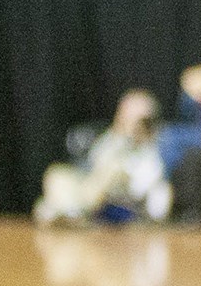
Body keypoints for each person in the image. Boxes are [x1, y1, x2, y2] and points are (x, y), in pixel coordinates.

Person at [34, 88, 169, 225]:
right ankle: (70, 212)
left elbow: (146, 188)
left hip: (122, 208)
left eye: (139, 119)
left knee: (113, 169)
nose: (131, 122)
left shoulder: (156, 148)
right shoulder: (110, 139)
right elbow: (94, 164)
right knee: (57, 175)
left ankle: (70, 212)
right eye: (126, 114)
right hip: (92, 195)